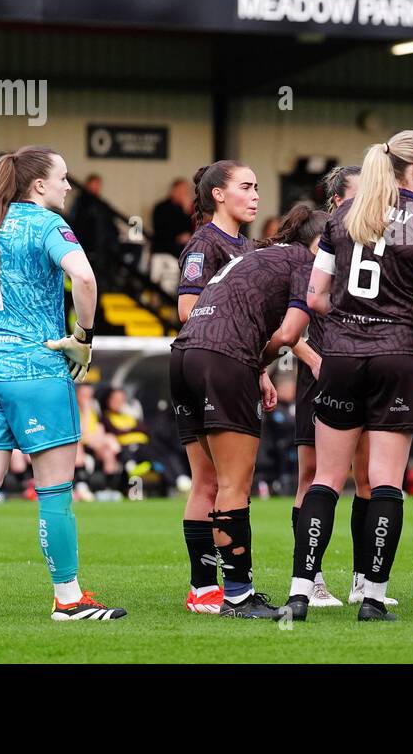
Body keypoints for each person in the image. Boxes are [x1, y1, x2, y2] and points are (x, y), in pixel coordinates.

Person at [0, 144, 124, 622]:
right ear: (38, 185)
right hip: (37, 368)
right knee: (54, 490)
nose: (69, 186)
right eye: (63, 177)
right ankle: (69, 600)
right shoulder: (49, 225)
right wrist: (83, 338)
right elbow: (85, 279)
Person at [281, 130, 413, 623]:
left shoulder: (343, 217)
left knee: (326, 479)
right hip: (396, 355)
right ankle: (372, 597)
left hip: (342, 355)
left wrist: (352, 318)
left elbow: (314, 298)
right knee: (384, 481)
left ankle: (299, 592)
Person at [172, 205, 329, 617]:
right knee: (233, 484)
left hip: (183, 358)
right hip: (223, 360)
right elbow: (290, 332)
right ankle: (239, 596)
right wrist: (259, 362)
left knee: (205, 482)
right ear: (318, 242)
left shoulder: (256, 255)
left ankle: (205, 591)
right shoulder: (305, 261)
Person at [173, 159, 260, 614]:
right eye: (246, 186)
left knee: (206, 482)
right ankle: (229, 590)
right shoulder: (204, 245)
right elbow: (189, 309)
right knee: (224, 482)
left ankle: (204, 590)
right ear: (219, 195)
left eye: (257, 187)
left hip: (221, 363)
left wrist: (259, 369)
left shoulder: (246, 248)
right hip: (208, 364)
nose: (255, 194)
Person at [288, 165, 362, 609]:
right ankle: (309, 578)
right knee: (313, 476)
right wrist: (317, 362)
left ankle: (364, 579)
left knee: (369, 479)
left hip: (361, 369)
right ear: (337, 201)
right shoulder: (311, 256)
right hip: (321, 375)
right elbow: (289, 327)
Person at [69, 174, 121, 283]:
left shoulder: (102, 205)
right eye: (93, 185)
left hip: (100, 248)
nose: (96, 188)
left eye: (98, 185)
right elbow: (74, 223)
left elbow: (111, 225)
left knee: (98, 279)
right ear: (87, 185)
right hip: (83, 246)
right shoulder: (80, 204)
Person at [151, 178, 196, 254]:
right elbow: (161, 230)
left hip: (183, 249)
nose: (184, 194)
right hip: (164, 249)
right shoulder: (161, 207)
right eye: (181, 191)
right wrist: (178, 238)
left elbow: (191, 230)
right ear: (173, 191)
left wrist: (187, 212)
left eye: (186, 191)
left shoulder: (187, 209)